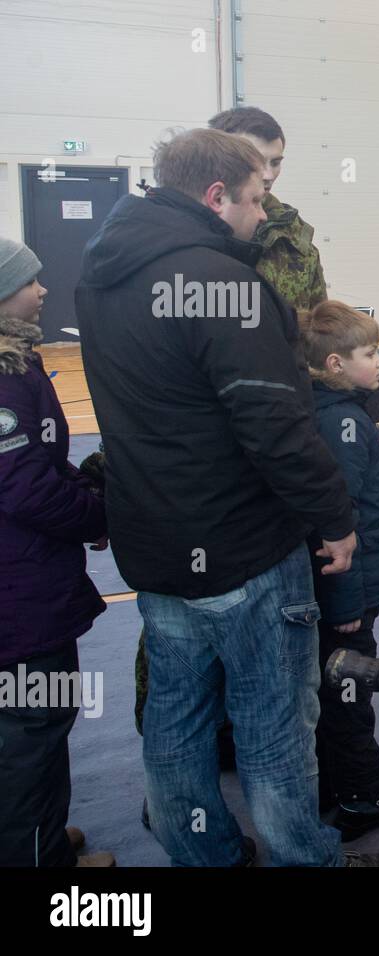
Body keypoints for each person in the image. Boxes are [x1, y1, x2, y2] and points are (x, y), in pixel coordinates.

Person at [76, 127, 379, 865]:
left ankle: (206, 852)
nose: (262, 215)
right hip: (243, 547)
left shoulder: (103, 274)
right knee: (273, 722)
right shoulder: (226, 286)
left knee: (177, 718)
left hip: (154, 545)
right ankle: (302, 856)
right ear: (217, 196)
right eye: (256, 199)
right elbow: (277, 426)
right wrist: (335, 518)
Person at [0, 241, 113, 867]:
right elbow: (25, 488)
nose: (43, 291)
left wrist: (84, 499)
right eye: (30, 281)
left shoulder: (19, 362)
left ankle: (41, 840)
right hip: (19, 601)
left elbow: (44, 467)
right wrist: (96, 516)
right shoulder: (4, 376)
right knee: (32, 732)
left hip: (26, 583)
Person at [300, 300, 379, 840]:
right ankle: (362, 798)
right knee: (349, 689)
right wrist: (345, 604)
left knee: (323, 687)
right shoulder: (343, 422)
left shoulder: (323, 410)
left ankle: (326, 787)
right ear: (335, 364)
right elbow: (336, 521)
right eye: (370, 353)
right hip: (346, 590)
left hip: (334, 588)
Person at [210, 106, 328, 312]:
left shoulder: (293, 234)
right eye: (253, 161)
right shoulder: (186, 231)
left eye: (275, 162)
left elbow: (319, 328)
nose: (268, 175)